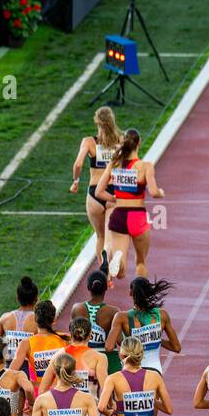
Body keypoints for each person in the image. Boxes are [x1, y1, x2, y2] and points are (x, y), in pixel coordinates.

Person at [38, 316, 108, 416]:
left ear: (70, 334)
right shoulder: (98, 358)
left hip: (59, 414)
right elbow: (105, 389)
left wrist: (44, 411)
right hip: (88, 414)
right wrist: (108, 409)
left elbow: (43, 389)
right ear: (90, 336)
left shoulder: (58, 356)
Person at [94, 128, 164, 281]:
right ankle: (139, 298)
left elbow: (98, 192)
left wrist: (114, 198)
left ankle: (118, 259)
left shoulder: (114, 164)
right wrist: (161, 192)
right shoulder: (145, 166)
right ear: (139, 143)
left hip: (118, 215)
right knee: (141, 262)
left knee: (120, 273)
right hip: (137, 216)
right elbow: (153, 192)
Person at [71, 268, 122, 416]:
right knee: (110, 399)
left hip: (85, 357)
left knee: (86, 396)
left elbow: (73, 335)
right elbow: (118, 341)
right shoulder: (113, 312)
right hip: (109, 359)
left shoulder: (77, 309)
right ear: (105, 290)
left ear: (87, 287)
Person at [70, 107, 124, 285]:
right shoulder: (121, 140)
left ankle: (104, 277)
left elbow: (78, 164)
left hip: (94, 194)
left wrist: (76, 181)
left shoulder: (89, 142)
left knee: (99, 236)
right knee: (110, 239)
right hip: (113, 193)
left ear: (96, 122)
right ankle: (110, 267)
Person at [105, 277, 180, 376]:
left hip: (130, 371)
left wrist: (128, 342)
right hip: (154, 371)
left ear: (130, 293)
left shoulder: (122, 317)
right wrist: (156, 339)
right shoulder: (162, 315)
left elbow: (109, 347)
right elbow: (176, 347)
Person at [0, 275, 39, 366]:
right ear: (36, 299)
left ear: (17, 298)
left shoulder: (5, 318)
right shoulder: (39, 320)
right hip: (30, 369)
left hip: (8, 367)